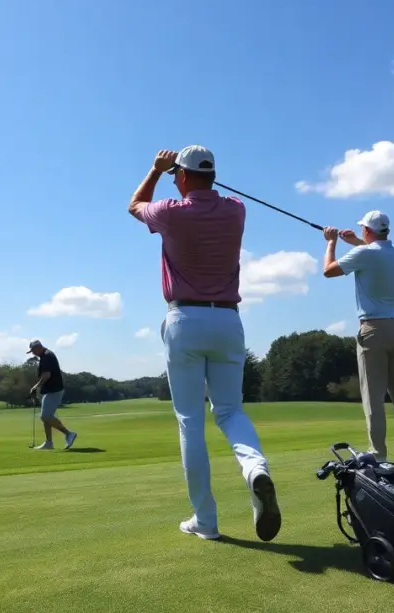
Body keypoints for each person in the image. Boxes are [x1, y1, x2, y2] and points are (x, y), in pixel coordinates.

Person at [128, 145, 281, 542]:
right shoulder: (236, 210)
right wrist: (180, 174)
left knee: (190, 421)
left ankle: (206, 519)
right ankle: (255, 470)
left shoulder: (169, 212)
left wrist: (155, 169)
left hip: (185, 319)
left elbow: (134, 205)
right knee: (230, 410)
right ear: (213, 175)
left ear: (181, 176)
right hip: (228, 320)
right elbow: (212, 192)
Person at [322, 211, 394, 466]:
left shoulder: (365, 254)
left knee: (372, 395)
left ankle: (378, 452)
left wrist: (331, 242)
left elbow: (329, 271)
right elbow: (375, 253)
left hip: (373, 329)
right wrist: (356, 243)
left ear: (367, 230)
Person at [27, 340, 78, 450]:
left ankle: (69, 434)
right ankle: (49, 443)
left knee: (45, 416)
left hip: (55, 390)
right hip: (50, 390)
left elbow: (46, 375)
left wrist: (35, 387)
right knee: (46, 417)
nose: (33, 353)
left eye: (33, 351)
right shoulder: (45, 356)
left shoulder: (47, 356)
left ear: (38, 347)